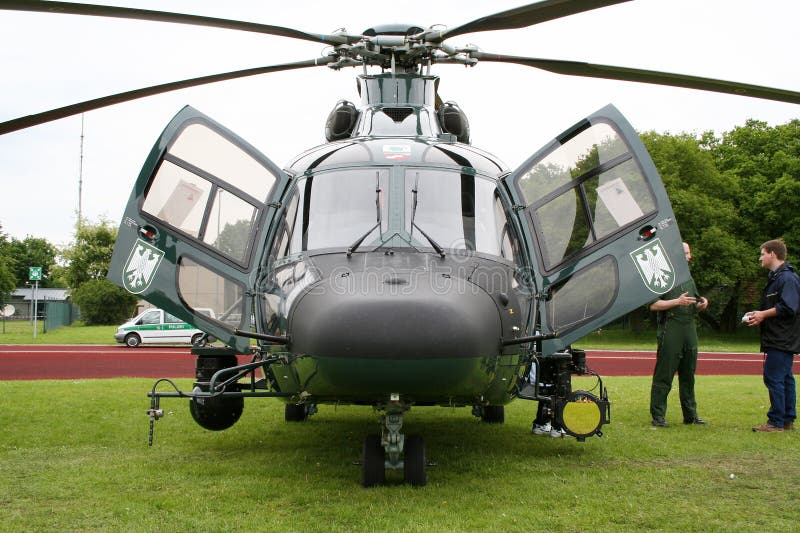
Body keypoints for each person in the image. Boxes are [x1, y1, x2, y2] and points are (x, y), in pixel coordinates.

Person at [649, 242, 708, 427]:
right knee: (664, 373)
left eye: (690, 252)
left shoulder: (688, 277)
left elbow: (693, 303)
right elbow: (653, 305)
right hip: (671, 327)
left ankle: (690, 415)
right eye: (686, 253)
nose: (690, 257)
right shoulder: (662, 275)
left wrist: (701, 304)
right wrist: (676, 301)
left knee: (688, 372)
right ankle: (658, 416)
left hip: (689, 327)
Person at [744, 239, 800, 432]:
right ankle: (787, 420)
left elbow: (788, 307)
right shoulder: (776, 278)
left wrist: (763, 315)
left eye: (762, 253)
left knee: (774, 378)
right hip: (777, 337)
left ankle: (775, 421)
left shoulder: (788, 278)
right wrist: (758, 315)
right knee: (784, 378)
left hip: (782, 338)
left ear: (772, 254)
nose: (760, 258)